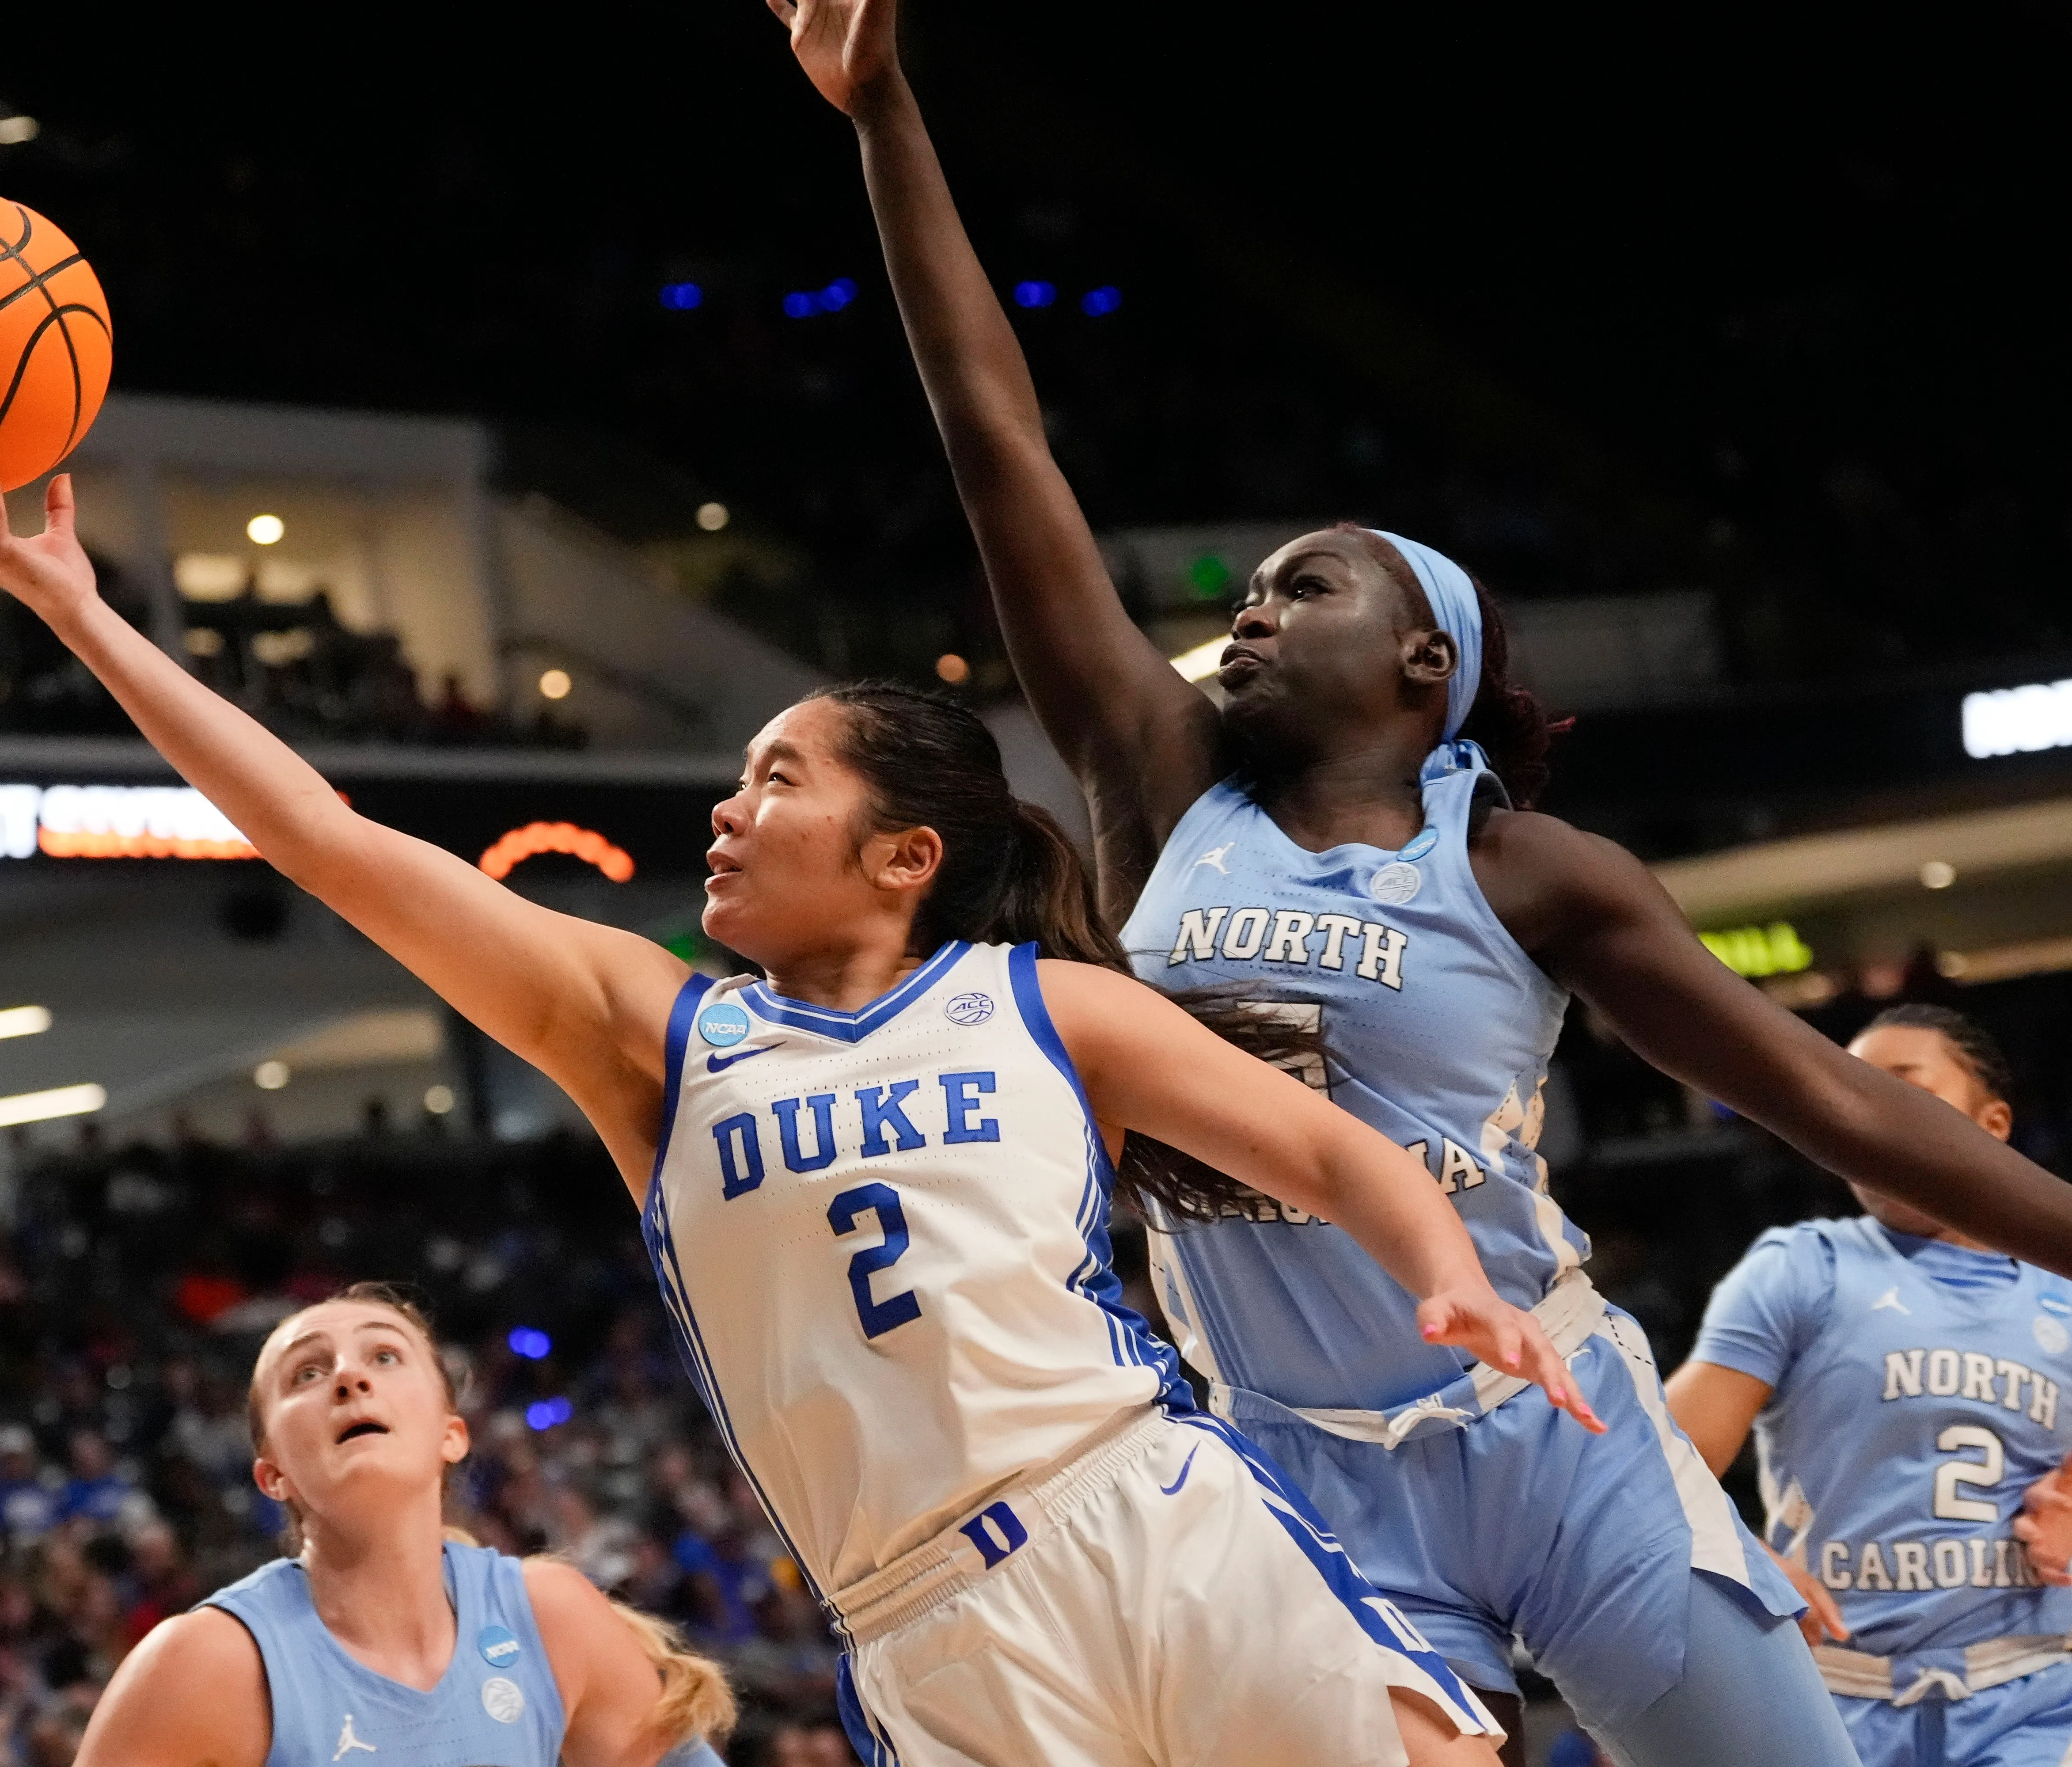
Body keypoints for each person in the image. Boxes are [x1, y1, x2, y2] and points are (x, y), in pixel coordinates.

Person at [766, 2, 2072, 1760]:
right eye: (1250, 590)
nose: (1250, 609)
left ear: (1422, 660)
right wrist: (883, 114)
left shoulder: (1529, 868)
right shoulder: (1160, 785)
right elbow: (998, 444)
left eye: (1305, 587)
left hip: (1561, 1435)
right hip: (1295, 1470)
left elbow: (1832, 1100)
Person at [0, 451, 1602, 1766]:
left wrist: (1445, 1271)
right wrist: (78, 611)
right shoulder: (659, 1035)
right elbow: (330, 841)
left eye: (776, 777)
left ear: (902, 853)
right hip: (934, 1622)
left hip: (1146, 1513)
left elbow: (1325, 1148)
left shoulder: (1040, 1002)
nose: (726, 809)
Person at [75, 1284, 735, 1767]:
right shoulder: (206, 1665)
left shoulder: (550, 1617)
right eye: (308, 1372)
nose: (349, 1377)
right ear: (273, 1474)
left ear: (452, 1434)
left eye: (385, 1356)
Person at [1667, 1005, 2072, 1767]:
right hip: (1836, 1695)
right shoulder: (1802, 1267)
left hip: (2037, 1694)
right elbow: (1655, 1461)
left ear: (1992, 1124)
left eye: (1903, 1089)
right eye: (1850, 1098)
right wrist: (1740, 1551)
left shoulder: (2063, 1283)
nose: (1869, 1121)